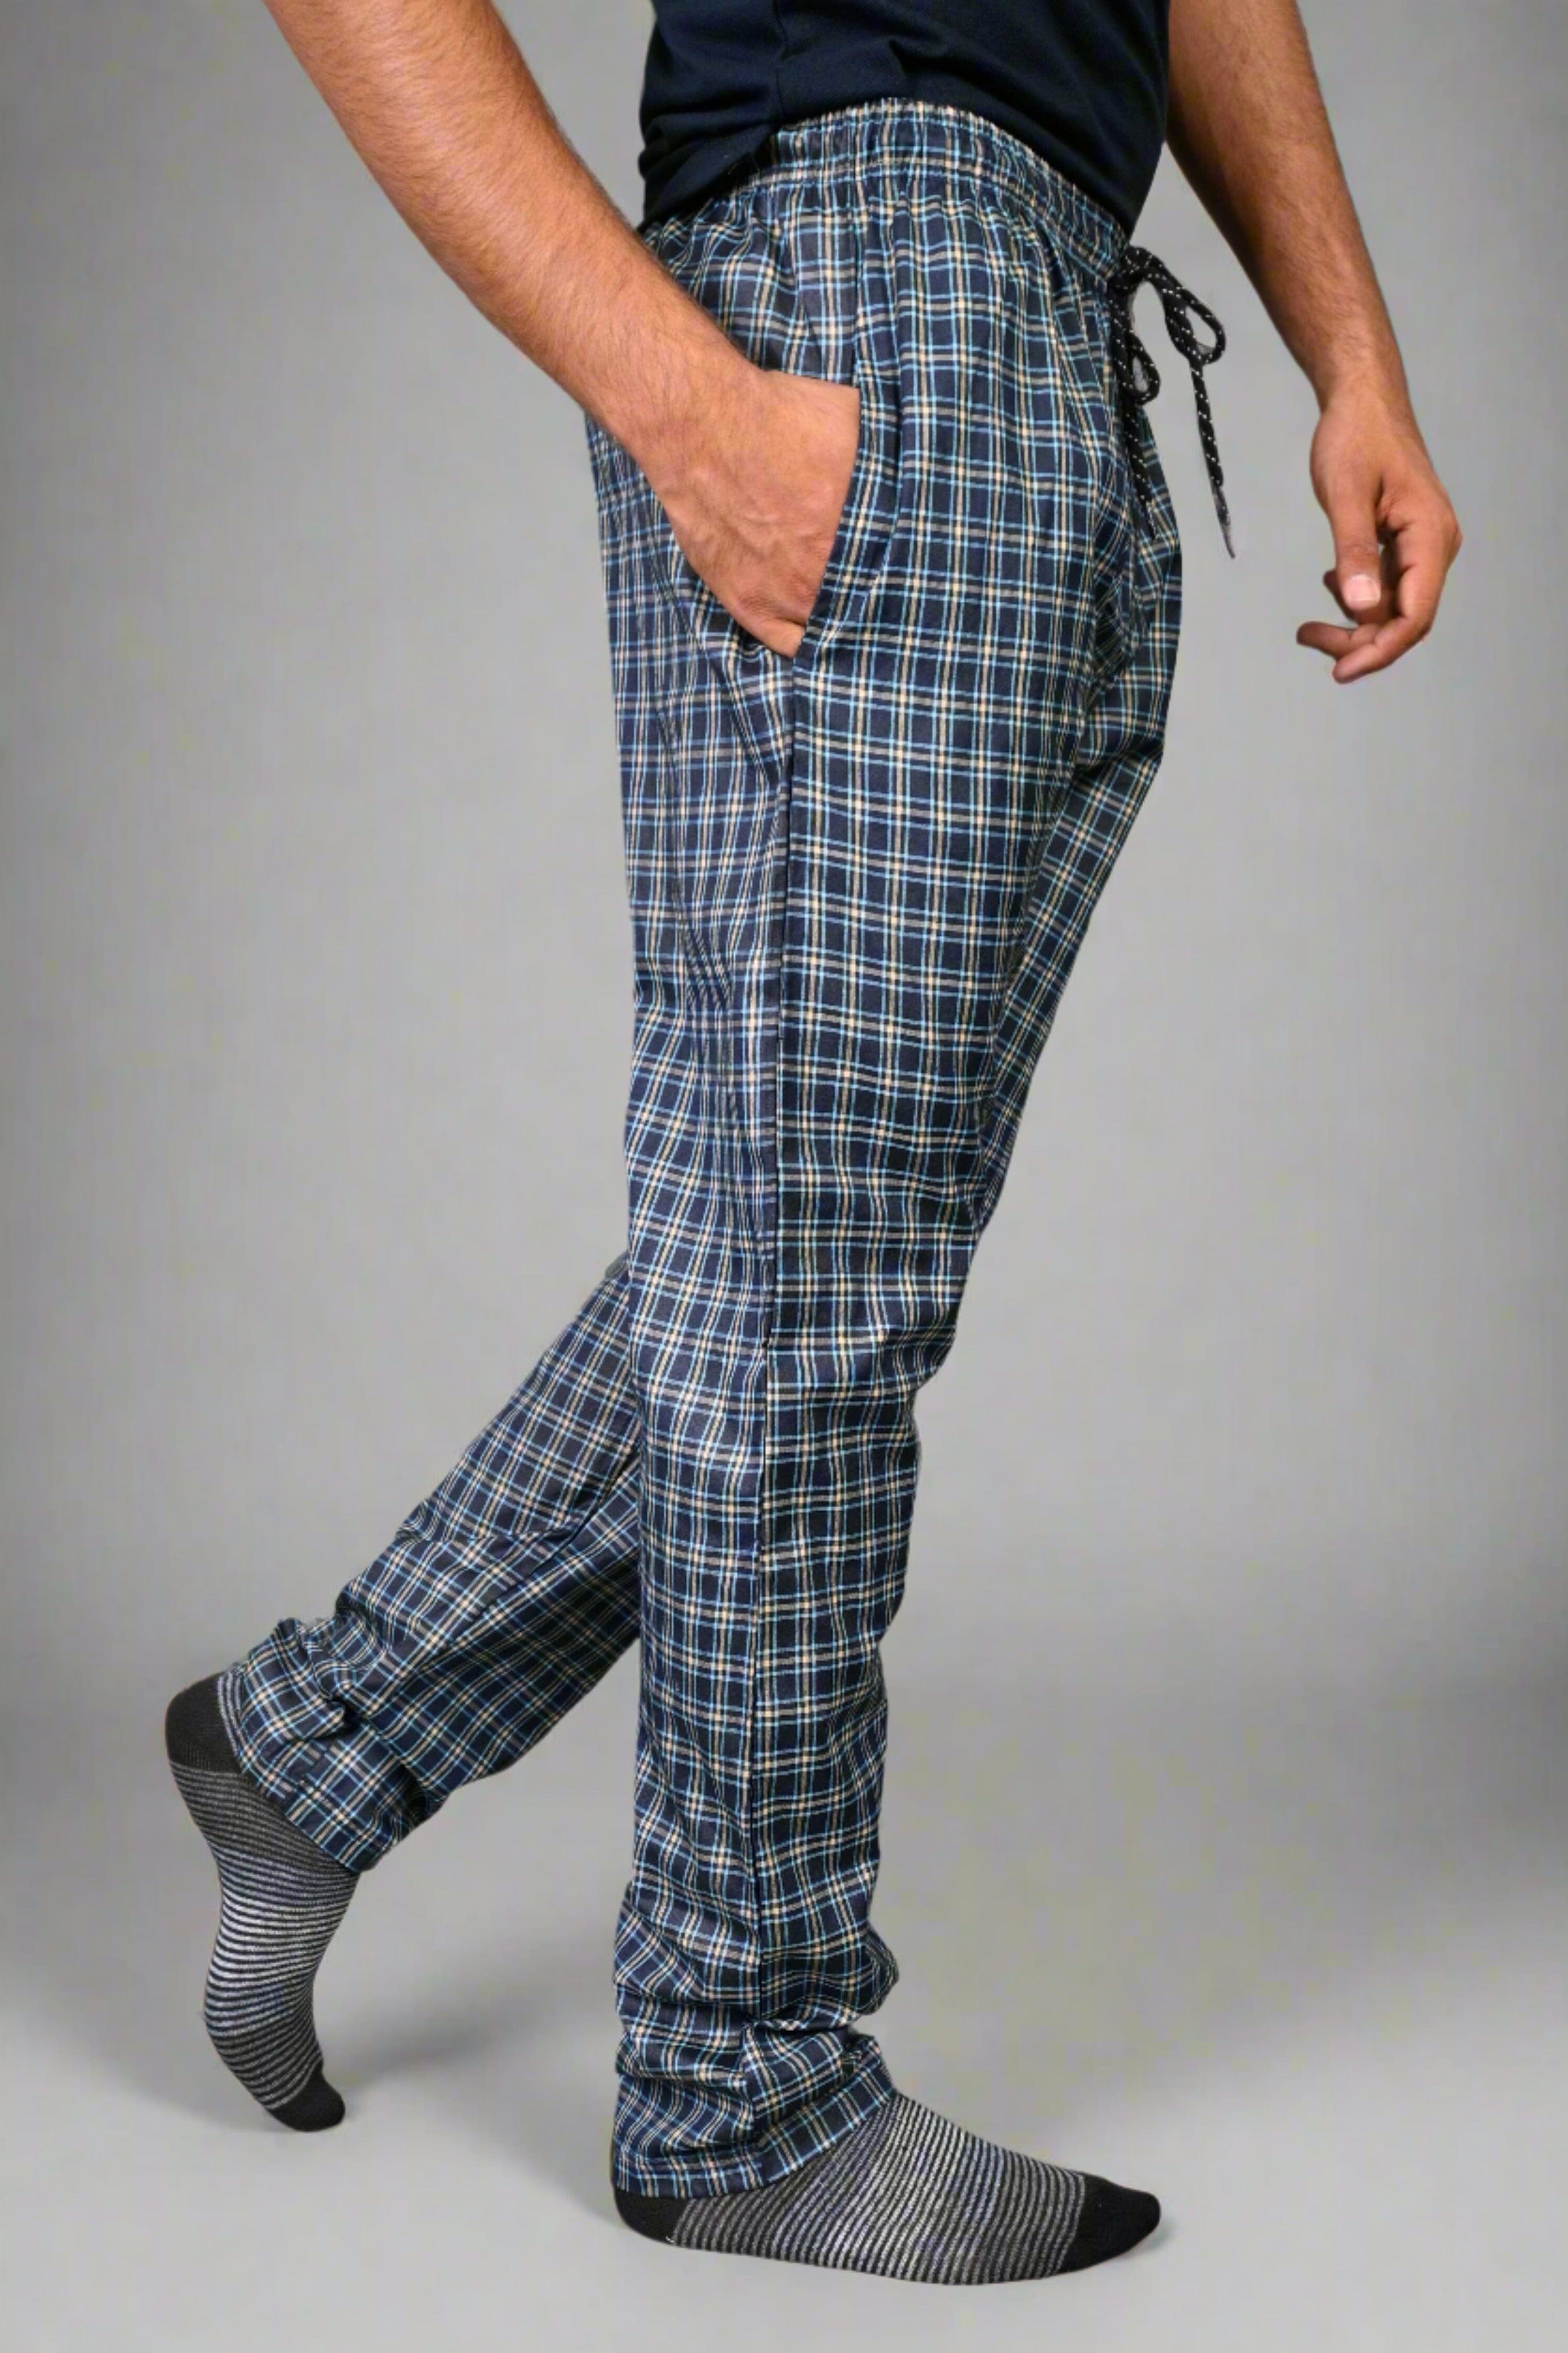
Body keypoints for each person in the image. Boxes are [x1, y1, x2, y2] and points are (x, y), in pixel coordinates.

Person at [164, 0, 1462, 2287]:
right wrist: (686, 404)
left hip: (1058, 307)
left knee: (820, 1238)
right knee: (806, 1262)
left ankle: (317, 1739)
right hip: (871, 282)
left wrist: (1349, 354)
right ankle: (736, 2085)